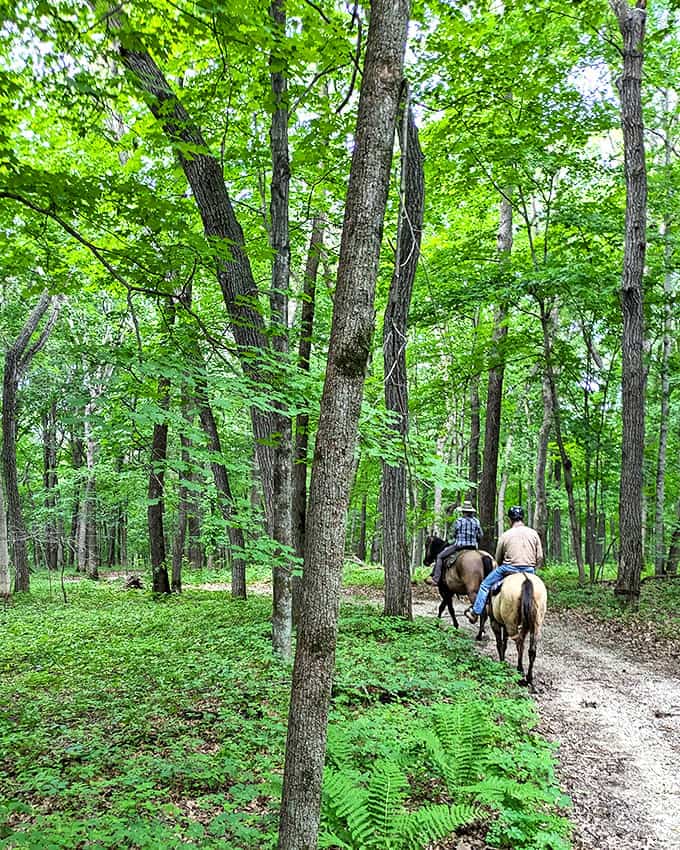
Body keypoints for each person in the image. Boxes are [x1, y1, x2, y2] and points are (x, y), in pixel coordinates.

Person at [465, 505, 543, 624]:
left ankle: (475, 612)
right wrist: (532, 568)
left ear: (509, 520)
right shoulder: (533, 533)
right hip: (529, 570)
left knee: (485, 585)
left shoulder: (505, 535)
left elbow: (498, 558)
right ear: (523, 518)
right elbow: (540, 557)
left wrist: (503, 566)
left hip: (509, 568)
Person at [426, 500, 482, 586]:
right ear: (471, 512)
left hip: (459, 546)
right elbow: (480, 535)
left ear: (463, 511)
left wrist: (451, 541)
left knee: (440, 556)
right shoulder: (476, 521)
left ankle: (435, 579)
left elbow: (453, 535)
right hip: (473, 547)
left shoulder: (459, 521)